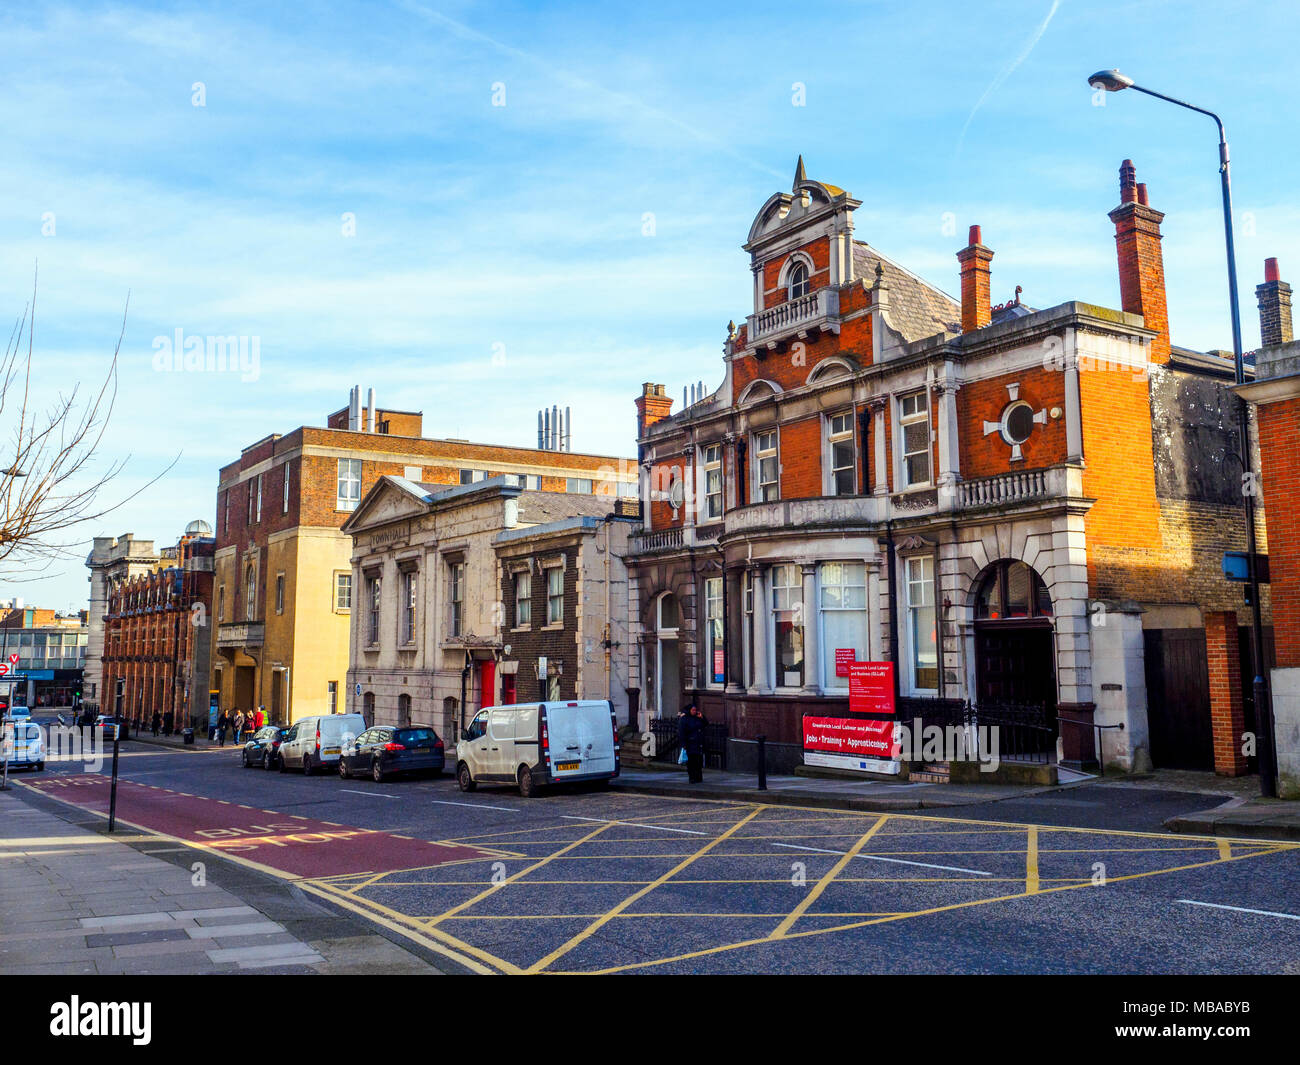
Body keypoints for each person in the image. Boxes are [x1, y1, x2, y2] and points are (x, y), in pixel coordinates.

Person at [677, 702, 707, 784]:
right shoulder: (684, 719)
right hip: (690, 743)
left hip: (698, 744)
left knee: (698, 762)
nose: (694, 711)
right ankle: (692, 778)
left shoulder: (697, 718)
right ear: (689, 710)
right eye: (693, 710)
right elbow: (681, 732)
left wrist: (702, 717)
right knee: (691, 762)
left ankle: (698, 777)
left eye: (695, 710)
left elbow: (705, 724)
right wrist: (683, 744)